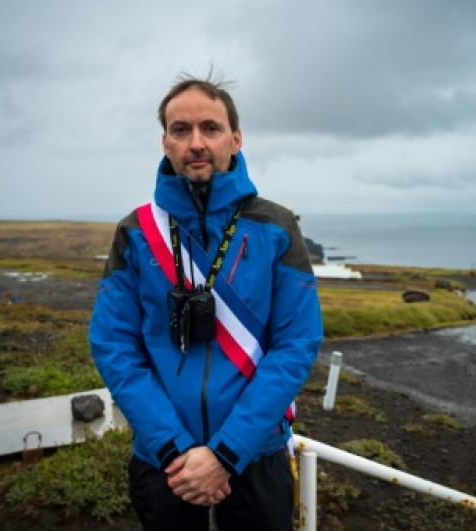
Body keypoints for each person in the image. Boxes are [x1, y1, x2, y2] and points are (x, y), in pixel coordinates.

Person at [89, 72, 323, 531]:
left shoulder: (277, 227)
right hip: (164, 459)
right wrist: (174, 448)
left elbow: (296, 343)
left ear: (235, 139)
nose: (196, 142)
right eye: (181, 130)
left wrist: (228, 452)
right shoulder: (135, 233)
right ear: (165, 143)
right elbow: (115, 346)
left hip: (254, 452)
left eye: (210, 128)